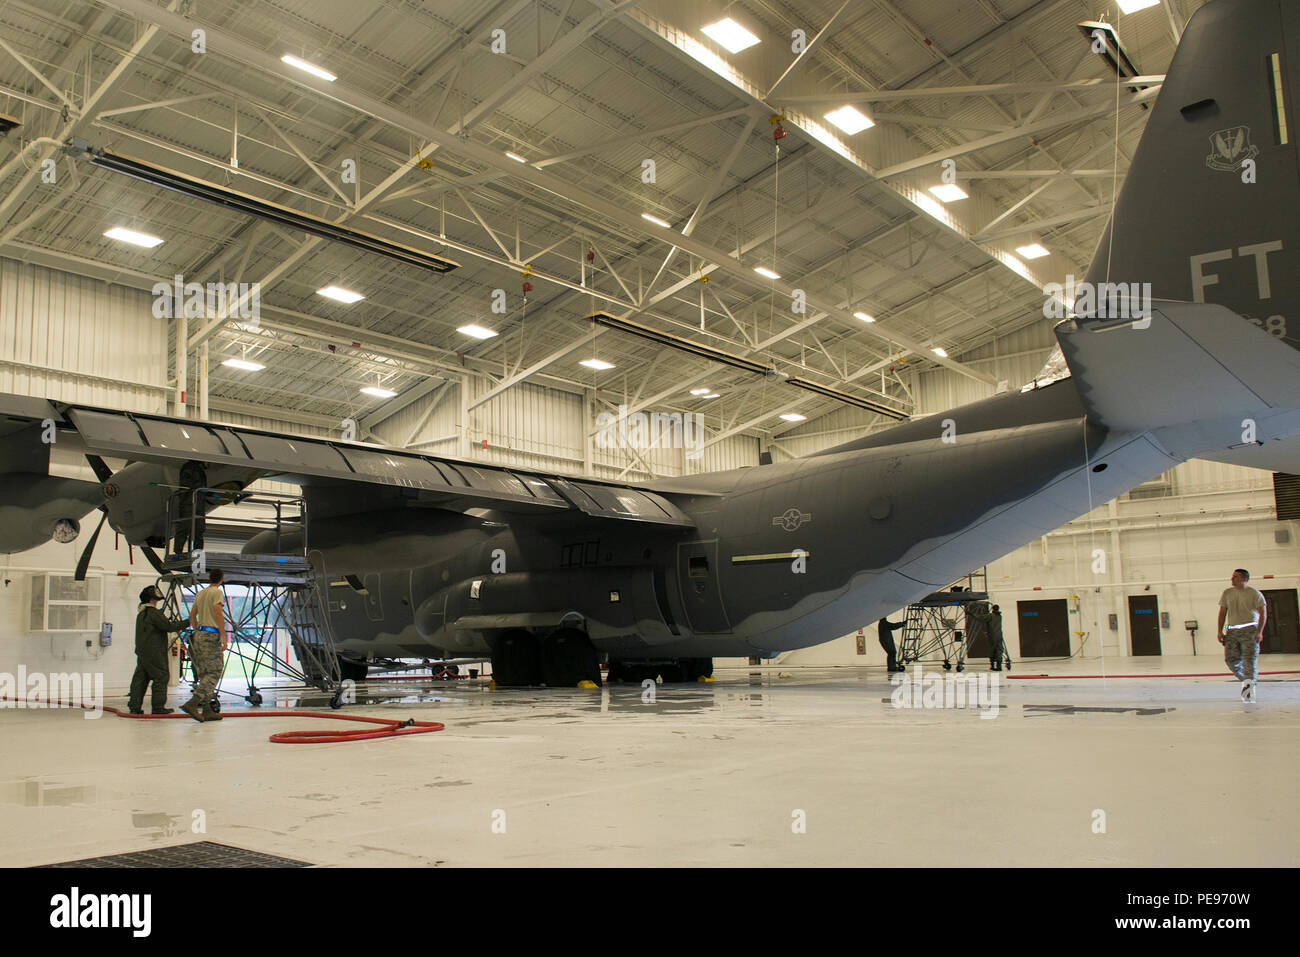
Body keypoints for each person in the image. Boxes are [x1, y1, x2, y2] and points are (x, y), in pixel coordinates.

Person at [127, 585, 188, 715]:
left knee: (141, 679)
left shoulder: (141, 614)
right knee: (161, 676)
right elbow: (168, 626)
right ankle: (158, 707)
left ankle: (134, 706)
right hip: (155, 652)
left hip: (143, 652)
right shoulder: (154, 613)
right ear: (152, 598)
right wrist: (187, 622)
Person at [183, 568, 228, 722]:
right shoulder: (217, 593)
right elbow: (217, 611)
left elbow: (192, 615)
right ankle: (193, 703)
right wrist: (223, 635)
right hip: (211, 634)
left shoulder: (201, 593)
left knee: (204, 672)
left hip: (200, 635)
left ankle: (208, 710)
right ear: (221, 579)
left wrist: (197, 630)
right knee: (214, 671)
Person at [1217, 568, 1266, 702]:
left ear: (1244, 579)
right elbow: (1222, 613)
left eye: (1236, 577)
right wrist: (1220, 631)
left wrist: (1259, 632)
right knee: (1231, 660)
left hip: (1249, 629)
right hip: (1232, 631)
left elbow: (1263, 613)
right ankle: (1248, 681)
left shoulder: (1254, 594)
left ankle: (1248, 692)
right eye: (1232, 576)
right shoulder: (1227, 593)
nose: (1232, 579)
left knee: (1249, 661)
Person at [172, 459, 208, 556]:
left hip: (198, 503)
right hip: (189, 503)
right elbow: (186, 484)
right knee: (185, 527)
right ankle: (178, 552)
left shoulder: (198, 469)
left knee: (198, 529)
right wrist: (201, 489)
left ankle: (197, 552)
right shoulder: (190, 468)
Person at [988, 604, 1006, 671]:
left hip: (992, 636)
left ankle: (992, 666)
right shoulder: (1000, 616)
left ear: (992, 608)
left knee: (992, 650)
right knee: (999, 650)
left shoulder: (990, 616)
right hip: (999, 635)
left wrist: (971, 614)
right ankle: (999, 666)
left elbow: (981, 618)